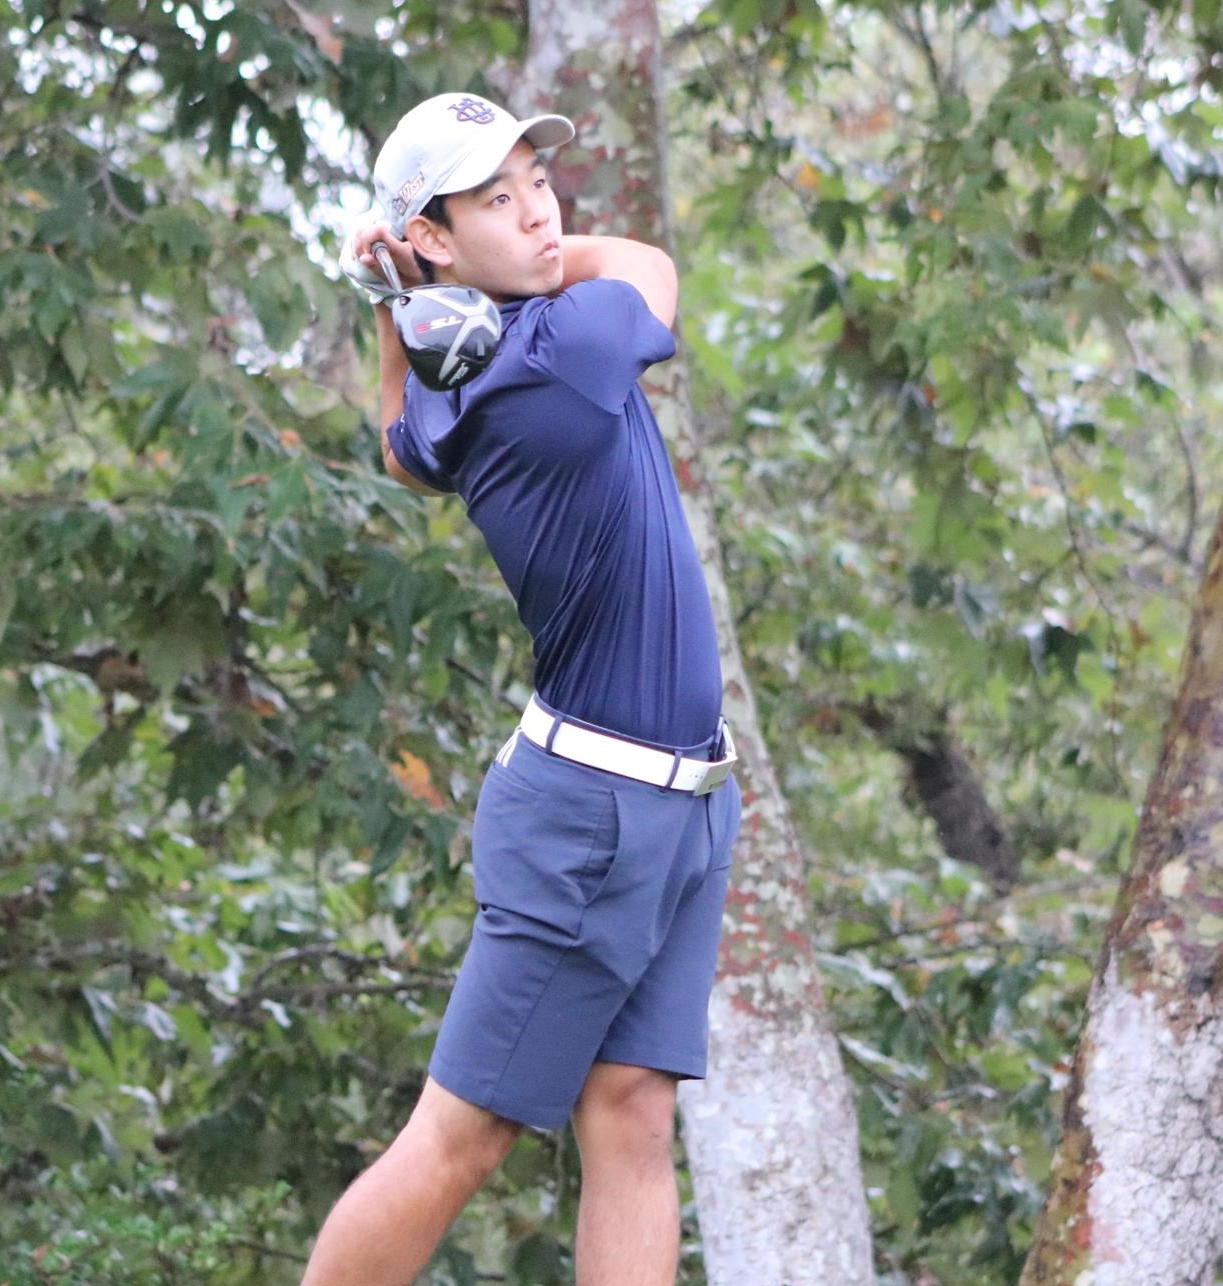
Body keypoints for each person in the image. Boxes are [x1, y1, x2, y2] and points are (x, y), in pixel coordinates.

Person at [301, 92, 740, 1286]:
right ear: (431, 236)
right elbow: (645, 262)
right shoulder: (562, 350)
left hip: (685, 802)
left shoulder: (456, 366)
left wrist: (400, 304)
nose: (541, 211)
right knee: (462, 1134)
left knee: (632, 1110)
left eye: (535, 180)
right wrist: (538, 266)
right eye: (495, 199)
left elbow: (400, 449)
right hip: (591, 817)